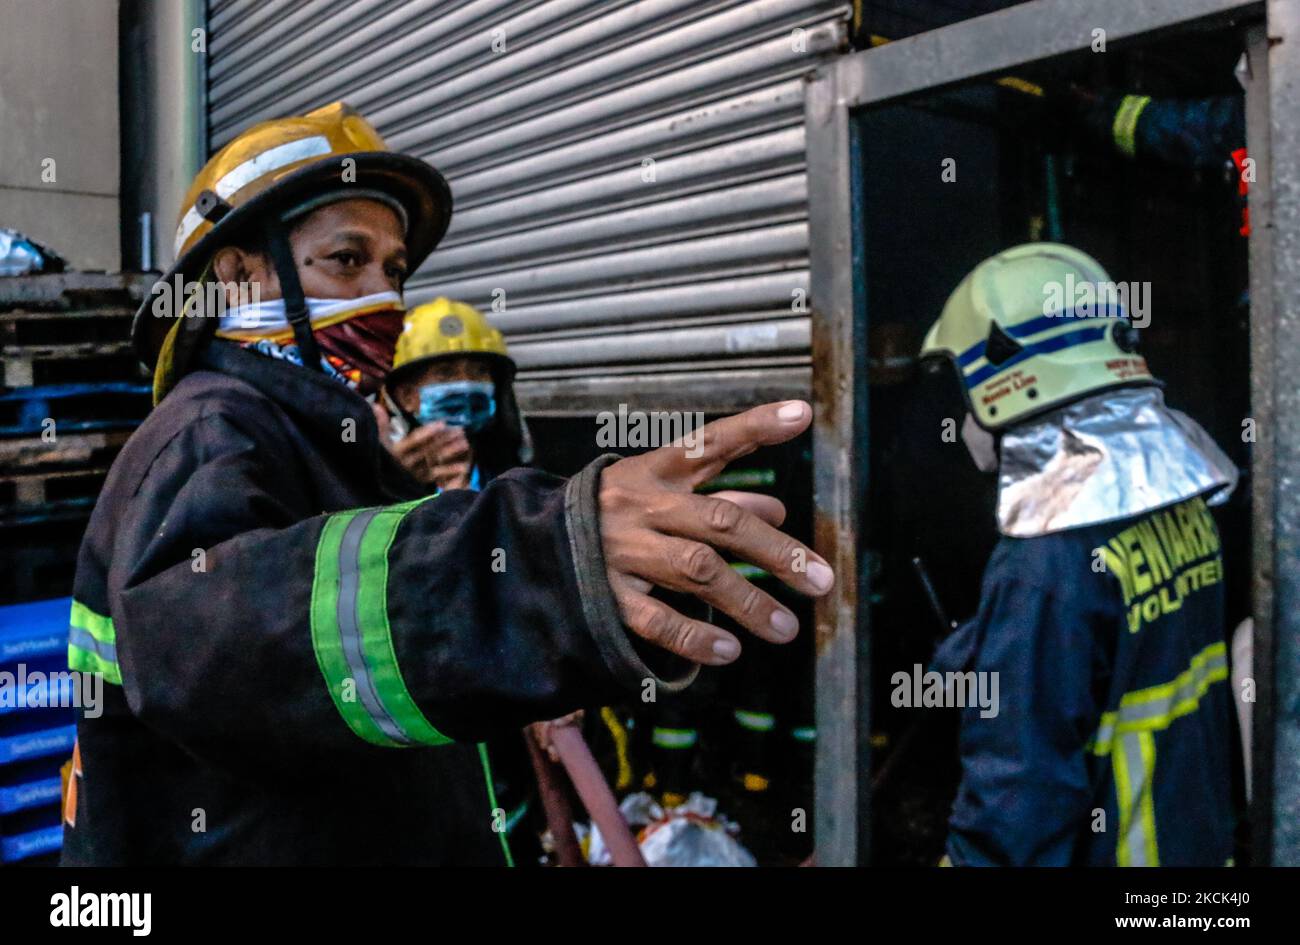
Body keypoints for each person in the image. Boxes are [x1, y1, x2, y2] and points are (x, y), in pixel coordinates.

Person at [61, 102, 833, 864]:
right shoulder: (209, 432)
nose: (384, 296)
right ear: (234, 277)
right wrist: (544, 565)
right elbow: (226, 649)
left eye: (393, 269)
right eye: (346, 259)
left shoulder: (320, 438)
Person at [919, 242, 1239, 866]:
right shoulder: (1179, 497)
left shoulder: (1041, 562)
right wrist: (994, 649)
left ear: (1000, 380)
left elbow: (1017, 805)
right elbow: (1126, 654)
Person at [375, 297, 528, 491]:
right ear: (407, 397)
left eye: (480, 371)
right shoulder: (386, 479)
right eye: (445, 373)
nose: (466, 383)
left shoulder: (512, 472)